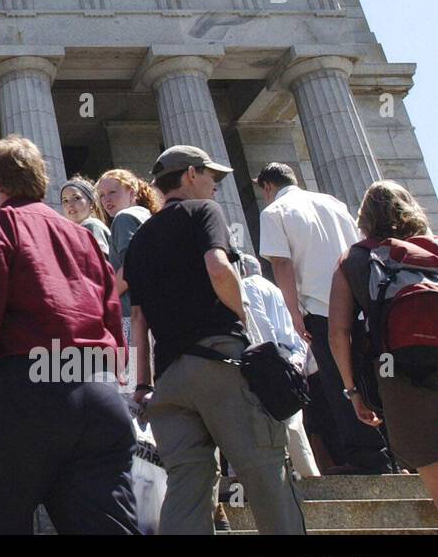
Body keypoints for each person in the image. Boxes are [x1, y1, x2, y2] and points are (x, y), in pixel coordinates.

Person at [0, 136, 137, 535]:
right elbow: (111, 314)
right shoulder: (83, 237)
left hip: (22, 392)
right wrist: (121, 385)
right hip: (96, 390)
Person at [124, 145, 306, 535]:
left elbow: (137, 319)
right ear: (190, 174)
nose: (216, 187)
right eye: (212, 177)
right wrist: (247, 325)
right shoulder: (203, 212)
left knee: (187, 487)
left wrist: (143, 383)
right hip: (221, 361)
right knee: (265, 471)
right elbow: (218, 267)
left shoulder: (139, 240)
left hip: (170, 381)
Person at [255, 162, 390, 474]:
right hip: (362, 305)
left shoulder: (275, 211)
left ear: (267, 187)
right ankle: (392, 456)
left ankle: (366, 459)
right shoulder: (333, 203)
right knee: (372, 377)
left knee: (341, 383)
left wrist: (293, 314)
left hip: (322, 310)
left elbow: (281, 264)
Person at [330, 180, 438, 507]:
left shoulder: (355, 258)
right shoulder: (433, 247)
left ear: (364, 218)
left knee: (431, 467)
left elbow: (338, 332)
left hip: (397, 371)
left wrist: (353, 391)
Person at [238, 253, 319, 478]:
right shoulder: (275, 289)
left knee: (279, 423)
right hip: (291, 356)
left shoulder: (247, 286)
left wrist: (264, 361)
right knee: (294, 424)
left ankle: (284, 477)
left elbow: (260, 326)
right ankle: (309, 477)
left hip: (271, 357)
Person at [96, 168, 160, 345]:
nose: (106, 200)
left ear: (131, 192)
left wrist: (105, 302)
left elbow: (131, 266)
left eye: (112, 192)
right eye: (101, 195)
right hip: (155, 311)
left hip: (131, 317)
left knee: (131, 370)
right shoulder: (149, 216)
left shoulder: (124, 218)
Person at [60, 176, 111, 256]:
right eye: (65, 200)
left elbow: (99, 260)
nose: (70, 204)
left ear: (91, 203)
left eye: (76, 198)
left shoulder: (91, 225)